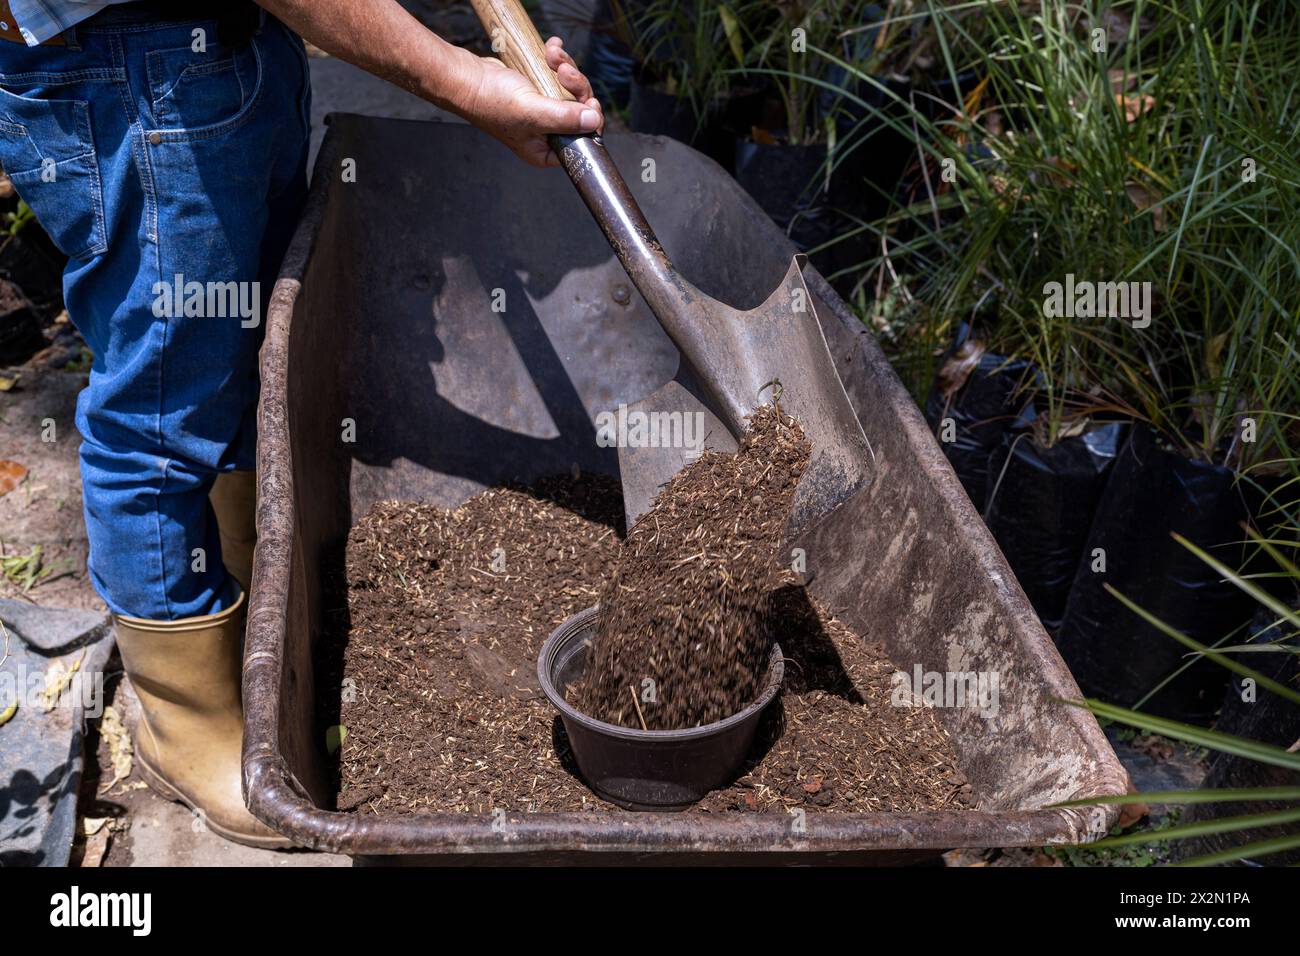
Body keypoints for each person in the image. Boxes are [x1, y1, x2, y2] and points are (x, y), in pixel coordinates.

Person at [0, 0, 603, 847]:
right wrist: (464, 79)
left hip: (221, 53)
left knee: (242, 360)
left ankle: (255, 626)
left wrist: (489, 55)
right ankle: (184, 721)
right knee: (161, 408)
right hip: (128, 76)